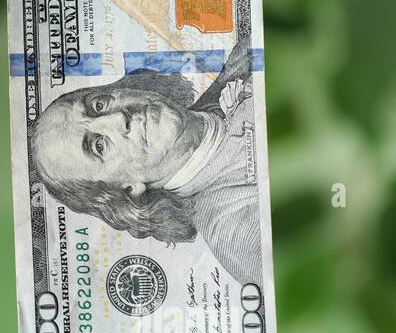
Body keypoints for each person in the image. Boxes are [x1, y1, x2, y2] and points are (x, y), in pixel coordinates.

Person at [31, 41, 263, 285]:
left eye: (98, 106)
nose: (118, 118)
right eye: (99, 146)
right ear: (128, 189)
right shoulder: (236, 232)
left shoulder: (241, 59)